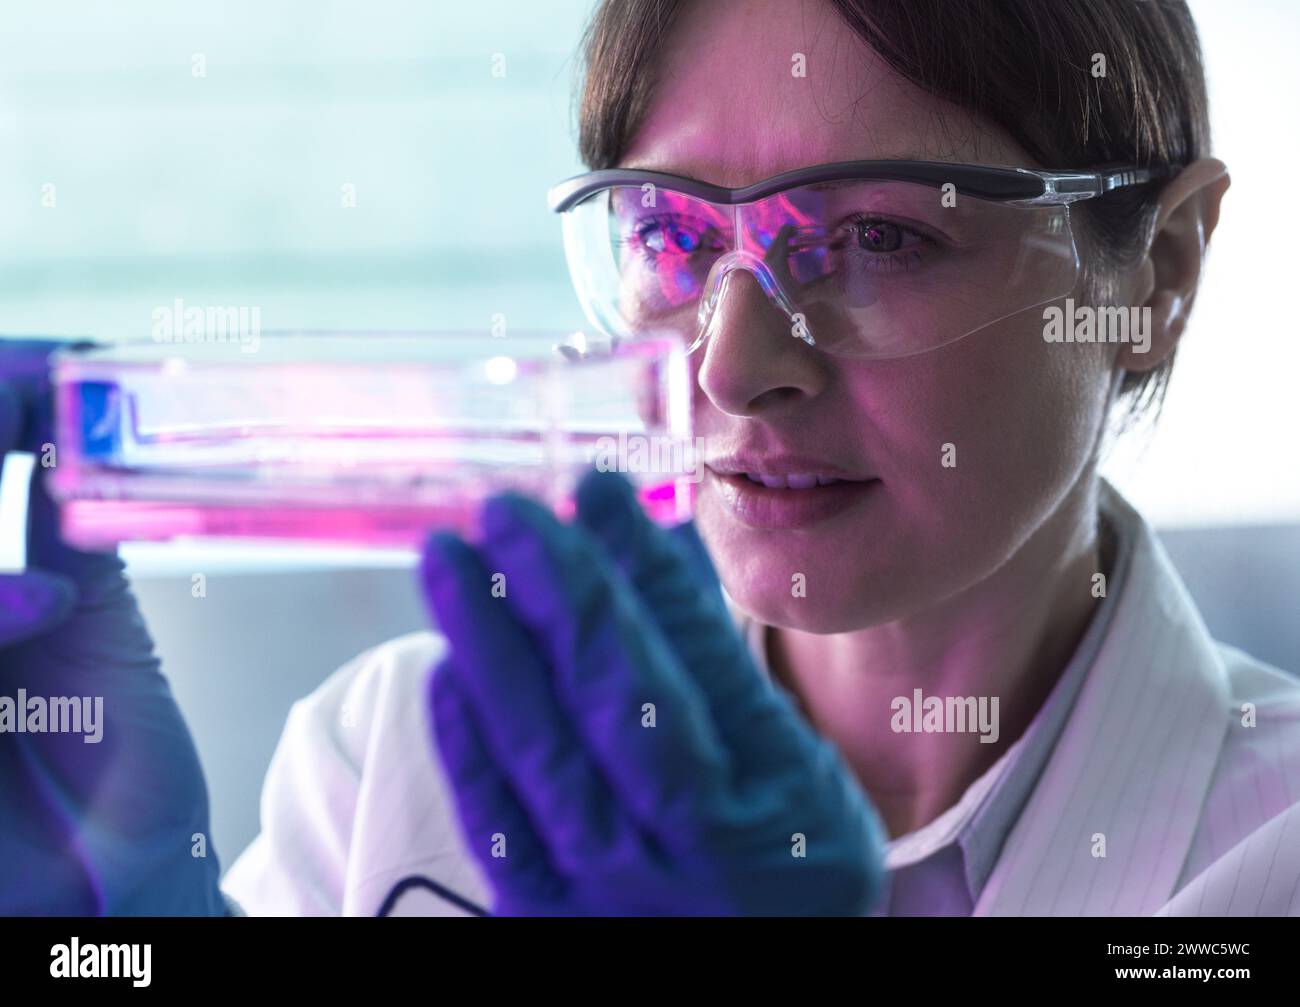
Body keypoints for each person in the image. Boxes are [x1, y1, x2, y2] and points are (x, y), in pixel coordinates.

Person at [3, 0, 1298, 917]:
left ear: (1158, 275)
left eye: (886, 239)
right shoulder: (394, 758)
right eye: (671, 236)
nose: (731, 366)